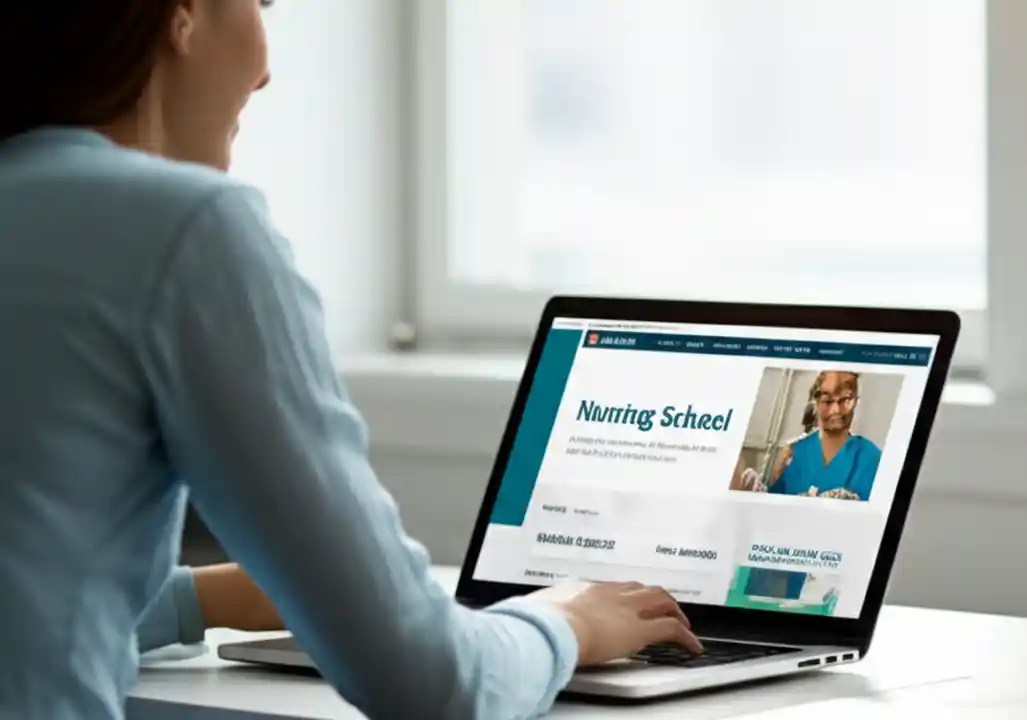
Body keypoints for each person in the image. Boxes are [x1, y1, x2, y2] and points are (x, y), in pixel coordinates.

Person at [0, 2, 700, 718]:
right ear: (183, 15)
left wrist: (201, 598)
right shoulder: (186, 230)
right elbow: (435, 684)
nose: (267, 71)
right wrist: (569, 622)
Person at [768, 371, 882, 500]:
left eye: (846, 399)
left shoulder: (871, 457)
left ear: (856, 400)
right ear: (815, 402)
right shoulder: (793, 453)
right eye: (827, 401)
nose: (836, 410)